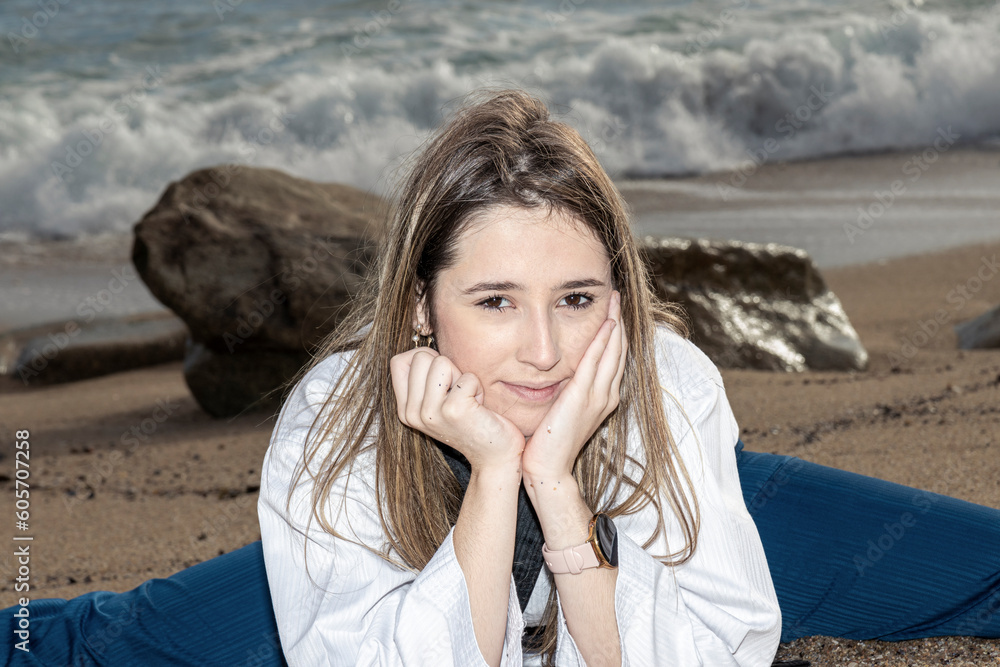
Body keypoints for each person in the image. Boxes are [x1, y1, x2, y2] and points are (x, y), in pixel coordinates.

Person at [3, 89, 999, 667]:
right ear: (418, 306)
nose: (544, 350)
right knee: (102, 643)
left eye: (577, 297)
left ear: (621, 294)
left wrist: (557, 489)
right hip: (400, 550)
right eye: (493, 301)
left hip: (671, 506)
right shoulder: (337, 418)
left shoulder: (673, 384)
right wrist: (490, 474)